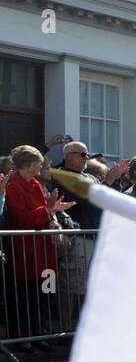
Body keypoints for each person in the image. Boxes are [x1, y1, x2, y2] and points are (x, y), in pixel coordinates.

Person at [4, 145, 74, 347]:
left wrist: (53, 212)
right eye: (40, 163)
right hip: (26, 251)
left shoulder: (35, 183)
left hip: (43, 251)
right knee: (26, 296)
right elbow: (23, 218)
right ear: (30, 164)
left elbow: (45, 211)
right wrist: (48, 210)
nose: (43, 166)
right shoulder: (14, 186)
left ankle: (41, 335)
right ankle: (25, 339)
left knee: (44, 293)